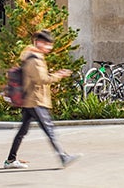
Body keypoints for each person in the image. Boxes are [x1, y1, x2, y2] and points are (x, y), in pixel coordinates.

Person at [4, 30, 78, 170]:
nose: (49, 47)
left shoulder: (33, 57)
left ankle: (10, 160)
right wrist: (58, 75)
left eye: (50, 44)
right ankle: (63, 157)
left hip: (30, 100)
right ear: (39, 43)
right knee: (49, 129)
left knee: (22, 131)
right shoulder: (35, 60)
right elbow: (42, 79)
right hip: (35, 100)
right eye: (47, 44)